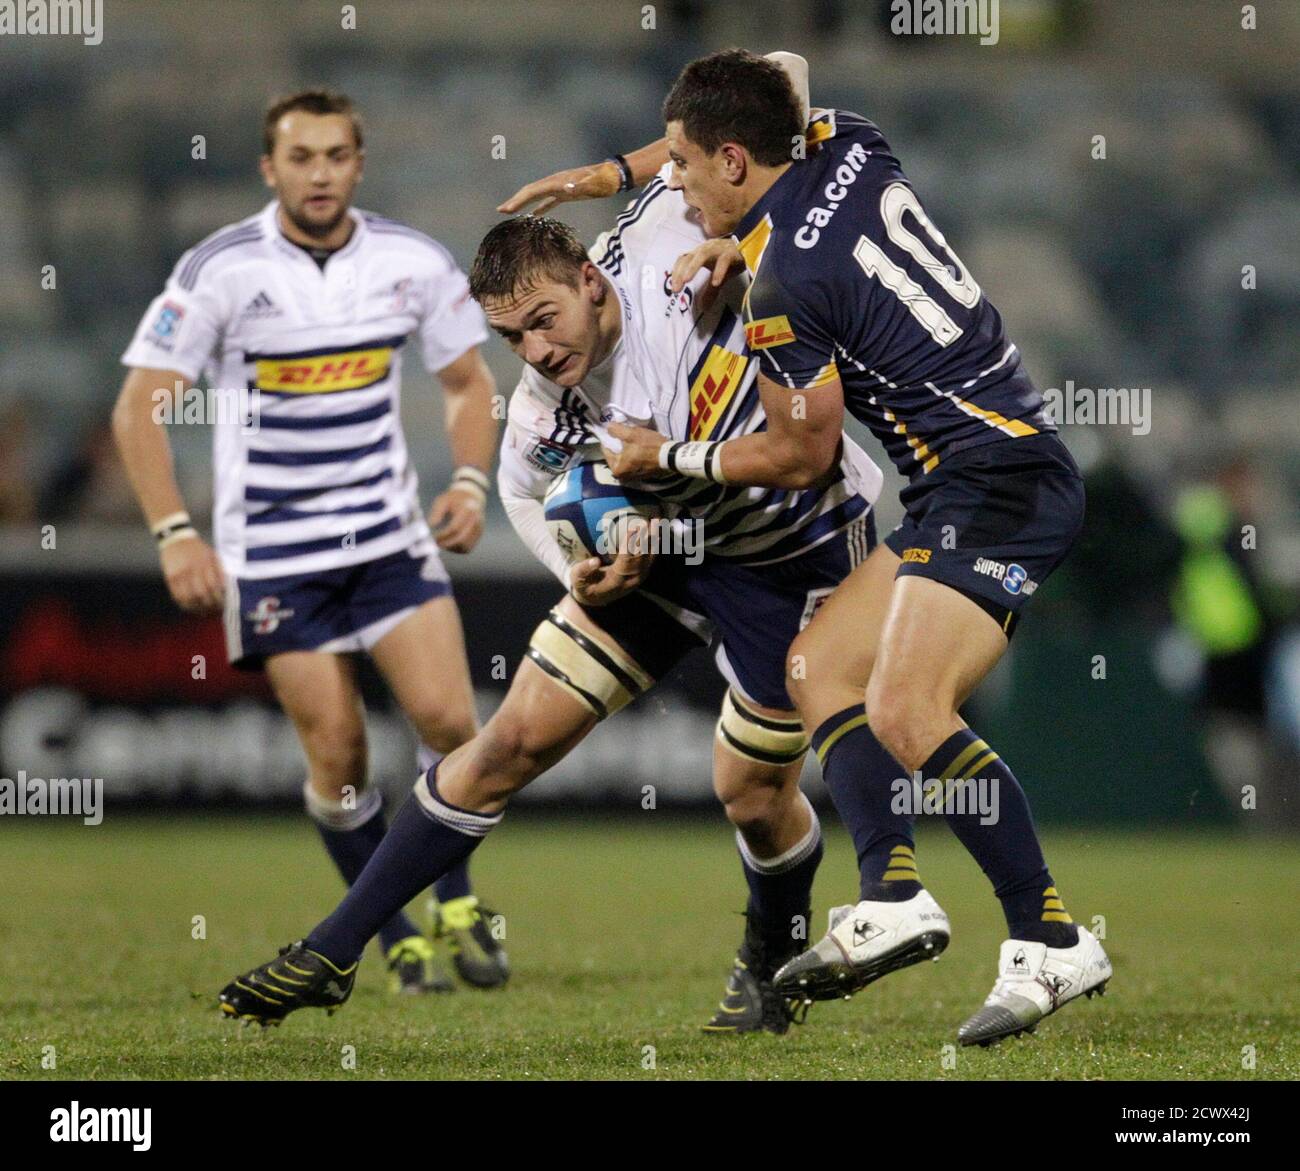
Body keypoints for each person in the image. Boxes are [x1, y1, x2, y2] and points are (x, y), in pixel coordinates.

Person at [217, 133, 884, 1033]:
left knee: (753, 795)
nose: (533, 349)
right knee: (505, 745)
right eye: (509, 336)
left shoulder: (662, 251)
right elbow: (522, 494)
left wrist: (608, 174)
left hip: (791, 550)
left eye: (542, 319)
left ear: (592, 283)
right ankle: (334, 948)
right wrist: (578, 569)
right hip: (663, 558)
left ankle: (770, 963)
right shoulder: (542, 406)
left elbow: (760, 90)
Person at [603, 49, 1111, 1046]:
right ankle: (893, 895)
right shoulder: (851, 142)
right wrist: (739, 245)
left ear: (737, 159)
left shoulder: (783, 288)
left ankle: (1051, 937)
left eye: (684, 163)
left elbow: (801, 454)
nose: (674, 181)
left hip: (994, 483)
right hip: (971, 474)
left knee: (907, 705)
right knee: (815, 665)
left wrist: (665, 451)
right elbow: (783, 75)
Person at [114, 88, 508, 998]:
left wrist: (469, 480)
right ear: (270, 169)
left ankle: (454, 901)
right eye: (301, 157)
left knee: (454, 724)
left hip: (387, 533)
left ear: (357, 164)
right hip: (274, 551)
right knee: (338, 754)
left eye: (336, 155)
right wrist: (176, 532)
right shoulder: (221, 269)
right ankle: (394, 935)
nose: (320, 172)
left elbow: (465, 382)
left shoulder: (411, 260)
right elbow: (141, 406)